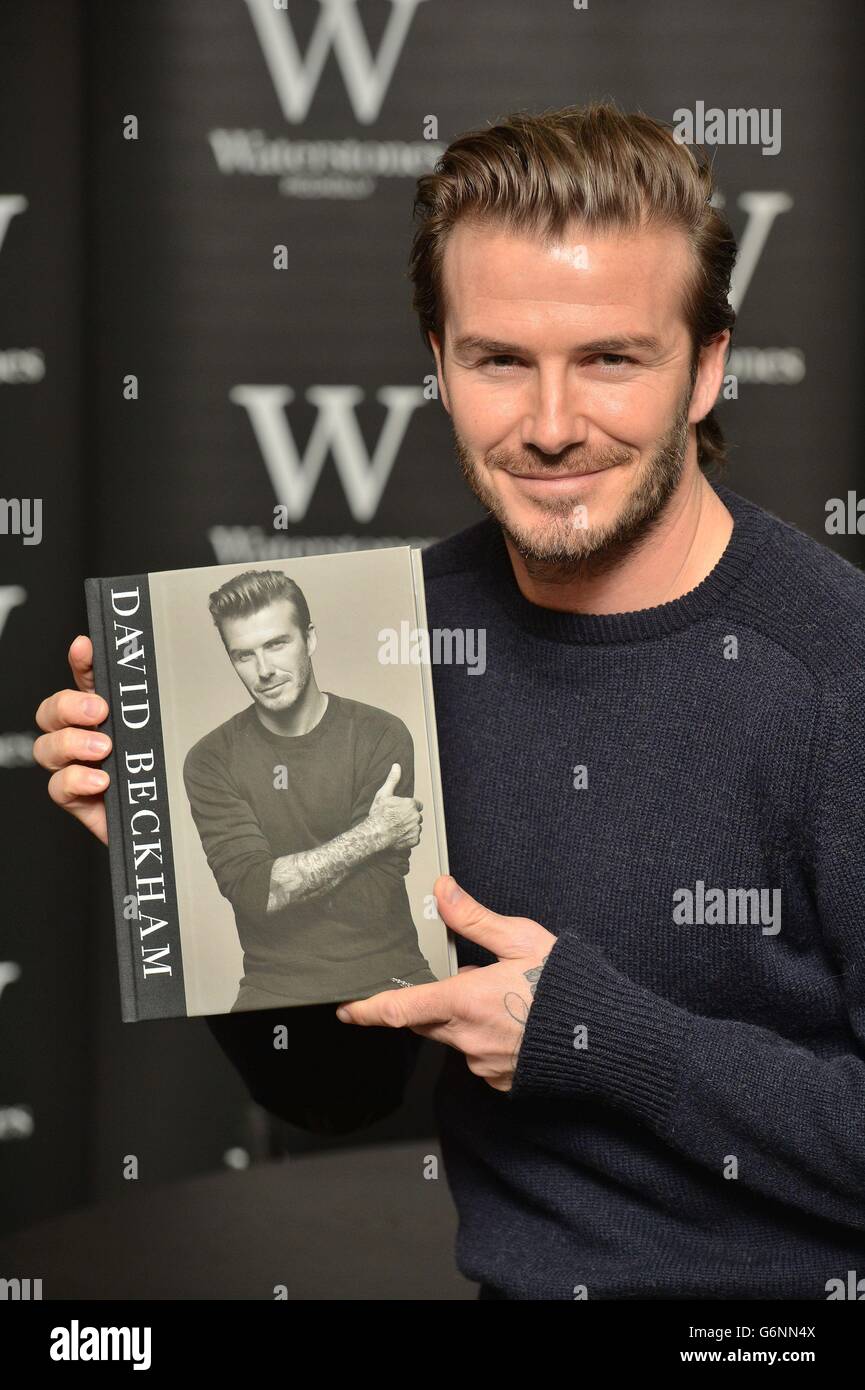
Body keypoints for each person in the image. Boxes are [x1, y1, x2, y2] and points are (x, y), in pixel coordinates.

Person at [33, 100, 865, 1300]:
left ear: (707, 367)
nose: (549, 426)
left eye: (611, 359)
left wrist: (594, 1036)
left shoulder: (835, 673)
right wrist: (188, 882)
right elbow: (335, 1092)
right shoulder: (395, 639)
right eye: (498, 361)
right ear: (437, 364)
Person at [181, 567, 436, 1010]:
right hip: (274, 987)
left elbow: (368, 905)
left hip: (390, 972)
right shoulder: (210, 760)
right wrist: (376, 834)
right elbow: (258, 892)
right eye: (244, 655)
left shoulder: (380, 734)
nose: (264, 670)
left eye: (277, 644)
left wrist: (289, 881)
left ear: (310, 639)